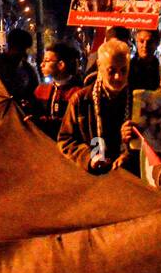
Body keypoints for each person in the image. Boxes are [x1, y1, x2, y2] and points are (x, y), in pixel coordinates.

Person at [58, 39, 137, 175]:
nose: (118, 77)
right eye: (111, 71)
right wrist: (89, 158)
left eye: (124, 70)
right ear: (99, 66)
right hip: (91, 182)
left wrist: (131, 148)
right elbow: (66, 140)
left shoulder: (138, 100)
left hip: (128, 180)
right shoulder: (81, 100)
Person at [32, 43, 83, 138]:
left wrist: (44, 122)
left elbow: (72, 124)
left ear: (61, 65)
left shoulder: (78, 93)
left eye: (47, 61)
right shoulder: (41, 89)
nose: (41, 64)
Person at [0, 29, 39, 108]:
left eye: (25, 49)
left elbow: (33, 93)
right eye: (20, 49)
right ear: (10, 46)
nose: (23, 53)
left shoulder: (28, 70)